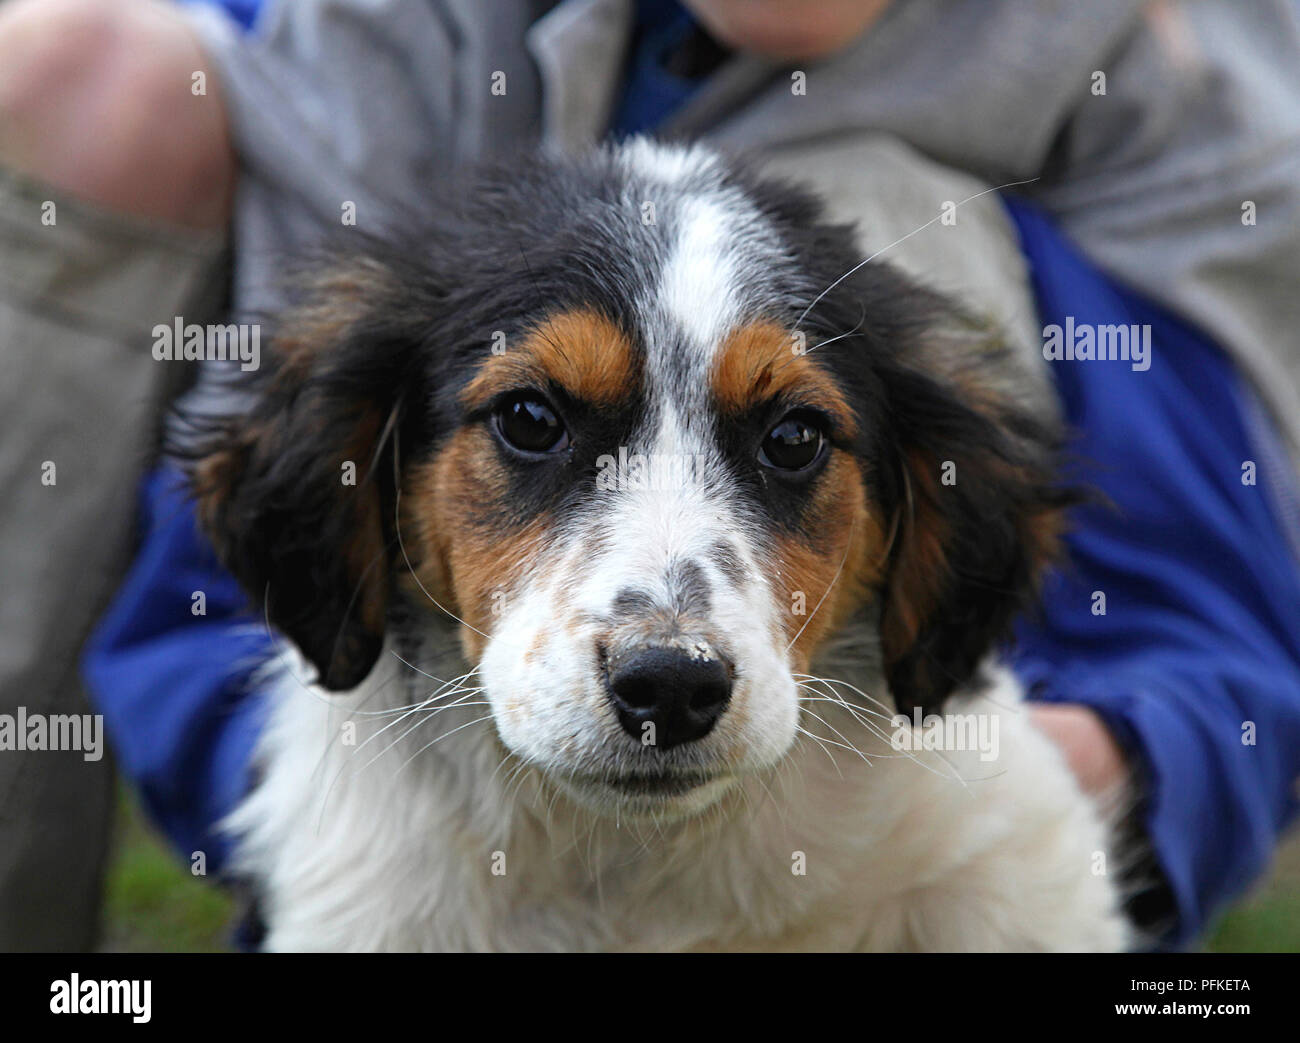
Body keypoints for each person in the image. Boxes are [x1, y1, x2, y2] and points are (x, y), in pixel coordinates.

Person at [1, 0, 1297, 950]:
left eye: (790, 443)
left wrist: (1065, 776)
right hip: (435, 837)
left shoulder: (1161, 97)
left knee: (888, 209)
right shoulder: (379, 61)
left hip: (873, 835)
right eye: (529, 425)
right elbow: (262, 523)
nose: (667, 632)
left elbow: (1216, 626)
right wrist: (388, 828)